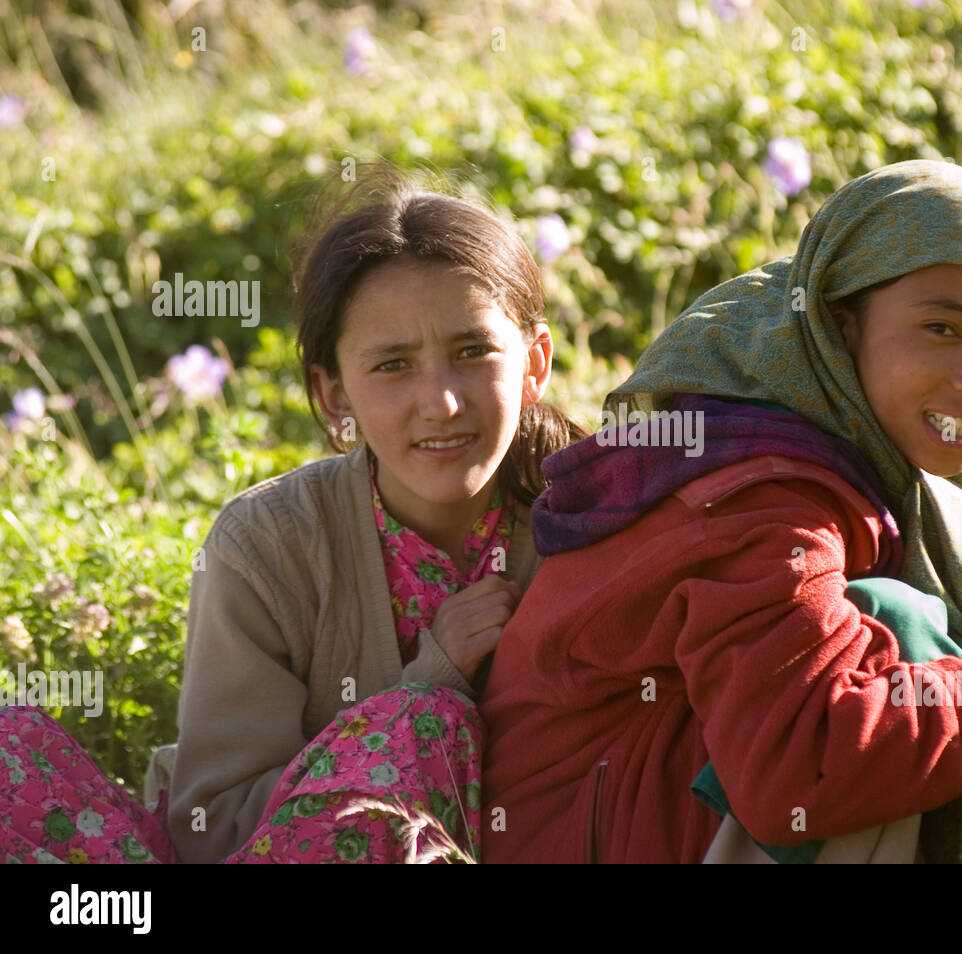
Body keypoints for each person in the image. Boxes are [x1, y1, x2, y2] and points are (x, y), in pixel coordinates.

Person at [479, 159, 962, 864]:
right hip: (577, 834)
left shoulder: (836, 456)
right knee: (899, 625)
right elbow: (798, 766)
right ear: (840, 326)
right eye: (942, 328)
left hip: (641, 803)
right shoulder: (764, 491)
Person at [0, 169, 585, 864]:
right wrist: (429, 687)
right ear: (331, 393)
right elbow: (210, 829)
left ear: (534, 363)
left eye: (472, 352)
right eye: (393, 365)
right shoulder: (269, 543)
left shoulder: (594, 522)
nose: (442, 402)